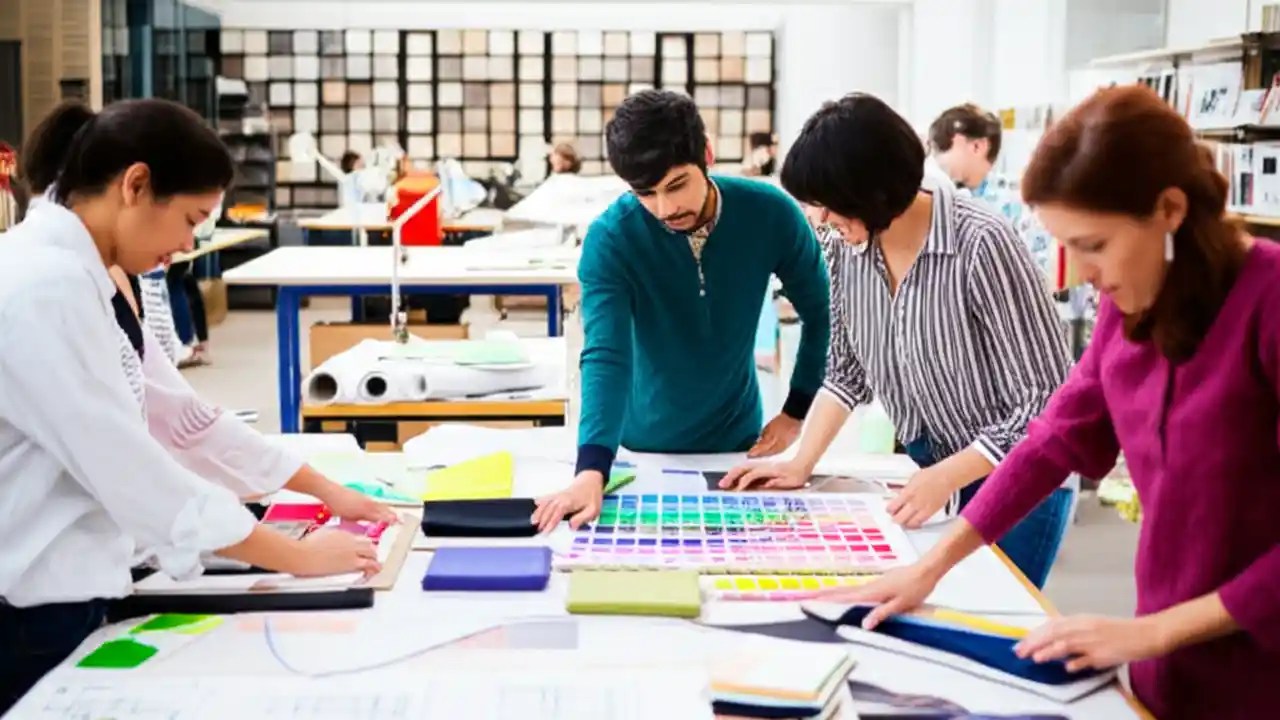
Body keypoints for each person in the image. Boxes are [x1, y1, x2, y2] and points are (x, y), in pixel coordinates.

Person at [825, 85, 1280, 719]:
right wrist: (933, 566)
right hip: (1163, 670)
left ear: (1170, 209)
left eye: (1094, 245)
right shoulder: (1129, 310)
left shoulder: (1268, 303)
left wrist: (1153, 632)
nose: (1079, 273)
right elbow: (1054, 440)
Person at [0, 99, 380, 712]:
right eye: (190, 219)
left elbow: (176, 416)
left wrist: (323, 491)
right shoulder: (43, 286)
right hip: (28, 611)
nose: (186, 244)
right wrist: (298, 557)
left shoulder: (82, 273)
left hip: (71, 591)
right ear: (136, 184)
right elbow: (132, 470)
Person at [720, 94, 1074, 588]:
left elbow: (1049, 405)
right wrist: (801, 462)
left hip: (1018, 481)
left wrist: (949, 476)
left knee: (986, 622)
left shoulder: (982, 244)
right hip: (930, 471)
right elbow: (846, 370)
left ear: (874, 192)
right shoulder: (846, 248)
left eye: (829, 204)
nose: (821, 221)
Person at [531, 89, 831, 531]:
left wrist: (797, 409)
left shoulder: (771, 214)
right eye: (645, 194)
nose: (665, 208)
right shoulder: (611, 240)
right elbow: (606, 355)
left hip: (738, 447)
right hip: (638, 451)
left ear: (706, 155)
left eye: (676, 185)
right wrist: (592, 469)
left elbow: (821, 311)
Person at [925, 103, 1002, 194]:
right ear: (977, 147)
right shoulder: (943, 190)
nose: (986, 176)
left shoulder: (922, 178)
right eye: (990, 167)